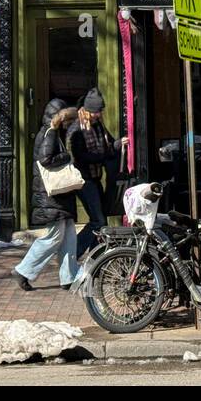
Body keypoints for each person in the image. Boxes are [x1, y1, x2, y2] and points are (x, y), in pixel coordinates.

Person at [14, 103, 79, 290]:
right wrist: (67, 157)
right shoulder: (49, 133)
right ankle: (23, 271)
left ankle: (69, 276)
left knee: (68, 236)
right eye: (68, 121)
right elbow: (45, 159)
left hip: (58, 197)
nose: (69, 125)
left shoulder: (53, 133)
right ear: (60, 118)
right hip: (51, 197)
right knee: (53, 237)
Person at [69, 88, 122, 257]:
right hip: (83, 180)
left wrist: (119, 143)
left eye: (100, 111)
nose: (99, 114)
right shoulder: (76, 129)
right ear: (88, 111)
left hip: (95, 177)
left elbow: (109, 146)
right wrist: (103, 156)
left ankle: (95, 258)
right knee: (98, 220)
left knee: (100, 221)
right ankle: (72, 254)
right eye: (97, 111)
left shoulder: (98, 126)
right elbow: (79, 157)